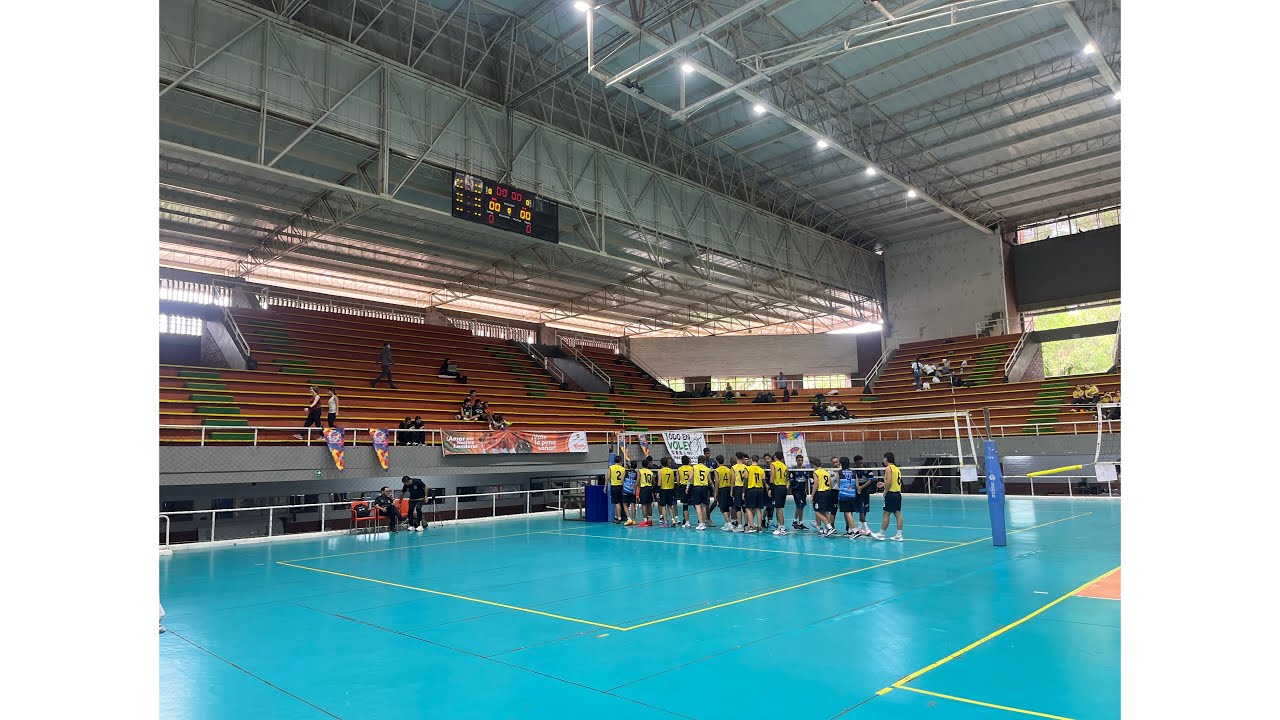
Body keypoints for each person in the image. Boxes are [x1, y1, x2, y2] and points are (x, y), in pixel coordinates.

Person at [871, 452, 904, 541]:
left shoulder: (888, 468)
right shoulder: (897, 469)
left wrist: (885, 492)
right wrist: (884, 484)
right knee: (898, 514)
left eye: (884, 459)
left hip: (891, 494)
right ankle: (899, 535)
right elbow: (893, 481)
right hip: (897, 494)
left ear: (886, 459)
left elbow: (889, 482)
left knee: (886, 513)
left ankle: (881, 534)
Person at [811, 459, 837, 537]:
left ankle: (829, 528)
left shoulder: (816, 472)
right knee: (826, 512)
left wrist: (812, 495)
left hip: (820, 493)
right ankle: (826, 529)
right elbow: (831, 483)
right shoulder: (826, 472)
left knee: (817, 511)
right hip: (828, 492)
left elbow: (816, 484)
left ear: (814, 465)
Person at [835, 456, 859, 537]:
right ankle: (849, 531)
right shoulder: (854, 472)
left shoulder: (839, 472)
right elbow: (857, 485)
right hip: (852, 495)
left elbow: (838, 484)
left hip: (844, 495)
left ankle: (855, 531)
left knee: (847, 513)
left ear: (841, 464)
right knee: (850, 513)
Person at [853, 455, 877, 536]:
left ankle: (859, 528)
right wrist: (858, 488)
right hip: (858, 491)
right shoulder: (854, 470)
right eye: (859, 463)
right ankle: (866, 528)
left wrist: (861, 487)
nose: (861, 464)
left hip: (865, 490)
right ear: (855, 463)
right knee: (861, 509)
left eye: (861, 462)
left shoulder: (868, 469)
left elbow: (870, 480)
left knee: (865, 509)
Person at [744, 456, 767, 533]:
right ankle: (759, 527)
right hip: (760, 490)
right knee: (758, 509)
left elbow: (745, 481)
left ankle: (752, 526)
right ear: (758, 461)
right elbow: (764, 482)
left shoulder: (748, 468)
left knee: (747, 508)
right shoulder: (761, 470)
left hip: (751, 490)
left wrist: (743, 492)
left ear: (751, 460)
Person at [789, 454, 811, 531]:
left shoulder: (805, 469)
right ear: (796, 460)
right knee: (799, 505)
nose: (800, 462)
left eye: (802, 460)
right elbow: (790, 480)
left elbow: (807, 478)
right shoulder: (793, 469)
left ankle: (801, 523)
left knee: (802, 506)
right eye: (799, 460)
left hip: (802, 490)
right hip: (796, 490)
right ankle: (794, 521)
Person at [690, 455, 712, 531]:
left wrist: (687, 487)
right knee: (704, 506)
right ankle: (703, 523)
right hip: (705, 488)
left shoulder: (694, 467)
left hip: (697, 487)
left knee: (697, 506)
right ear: (704, 461)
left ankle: (701, 523)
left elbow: (690, 478)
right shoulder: (707, 468)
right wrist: (713, 488)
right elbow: (710, 481)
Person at [770, 453, 790, 535]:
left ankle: (782, 527)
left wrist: (770, 488)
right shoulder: (784, 466)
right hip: (783, 487)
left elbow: (772, 476)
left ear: (775, 457)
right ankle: (781, 526)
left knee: (778, 508)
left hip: (777, 487)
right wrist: (786, 488)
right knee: (780, 508)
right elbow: (788, 479)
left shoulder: (773, 464)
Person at [714, 455, 734, 530]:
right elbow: (732, 480)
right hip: (728, 488)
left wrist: (715, 492)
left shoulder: (717, 470)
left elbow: (717, 482)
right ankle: (727, 523)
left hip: (722, 489)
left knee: (723, 507)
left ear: (717, 461)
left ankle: (729, 523)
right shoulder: (728, 469)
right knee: (728, 506)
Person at [657, 457, 677, 528]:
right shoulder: (671, 471)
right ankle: (673, 519)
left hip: (663, 489)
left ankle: (665, 522)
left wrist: (657, 491)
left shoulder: (660, 471)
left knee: (663, 506)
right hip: (670, 489)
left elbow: (659, 482)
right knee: (670, 506)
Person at [731, 453, 748, 532]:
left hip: (737, 488)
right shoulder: (746, 467)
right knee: (745, 507)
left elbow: (733, 480)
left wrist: (731, 490)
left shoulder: (733, 467)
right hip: (745, 488)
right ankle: (747, 525)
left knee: (738, 507)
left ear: (736, 457)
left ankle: (740, 525)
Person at [637, 457, 656, 527]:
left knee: (644, 504)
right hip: (649, 488)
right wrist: (652, 487)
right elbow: (654, 482)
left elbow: (638, 480)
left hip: (643, 488)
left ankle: (645, 521)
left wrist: (636, 487)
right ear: (648, 465)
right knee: (649, 504)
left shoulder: (640, 471)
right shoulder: (650, 472)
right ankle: (650, 520)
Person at [677, 456, 694, 528]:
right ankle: (701, 521)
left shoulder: (679, 469)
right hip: (692, 486)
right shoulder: (692, 468)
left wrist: (680, 485)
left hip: (683, 486)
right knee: (696, 504)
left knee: (685, 504)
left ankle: (687, 522)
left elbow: (678, 482)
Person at [608, 456, 627, 524]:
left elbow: (608, 477)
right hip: (621, 486)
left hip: (614, 486)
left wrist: (612, 480)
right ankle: (617, 517)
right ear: (620, 461)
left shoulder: (611, 467)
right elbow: (623, 479)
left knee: (616, 503)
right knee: (618, 502)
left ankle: (619, 518)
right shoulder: (623, 469)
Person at [621, 461, 639, 527]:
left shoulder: (626, 471)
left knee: (625, 504)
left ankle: (629, 519)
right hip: (633, 490)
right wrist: (634, 488)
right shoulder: (637, 473)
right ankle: (633, 520)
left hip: (626, 490)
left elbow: (621, 480)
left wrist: (625, 485)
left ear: (630, 465)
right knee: (633, 505)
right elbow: (637, 481)